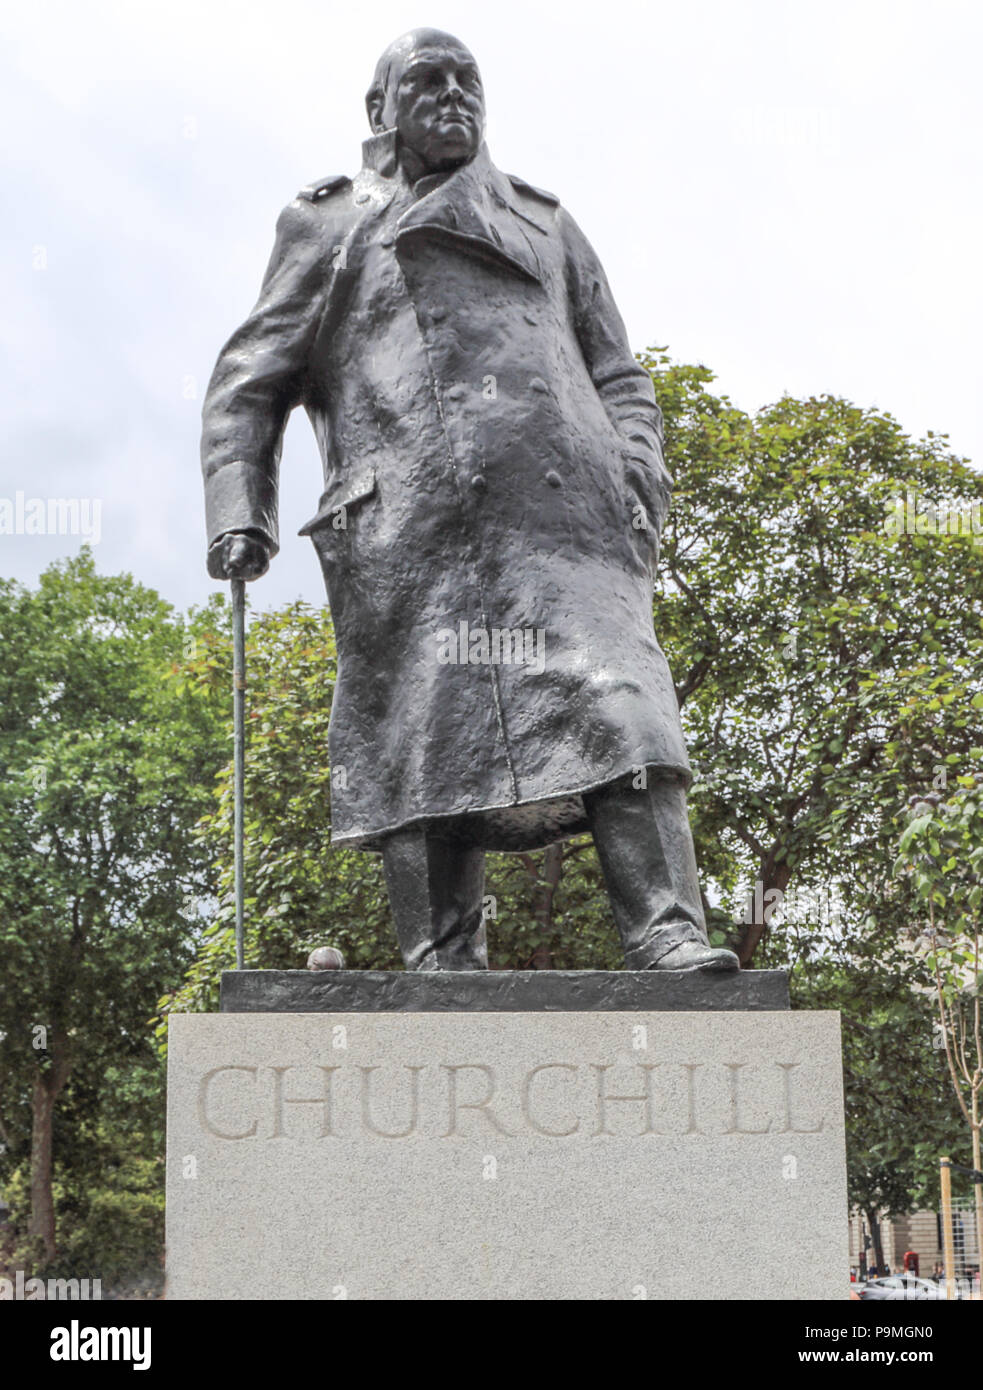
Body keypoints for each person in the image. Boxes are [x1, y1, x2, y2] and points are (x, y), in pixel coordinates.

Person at [201, 28, 740, 975]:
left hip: (568, 527)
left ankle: (665, 930)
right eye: (426, 81)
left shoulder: (545, 222)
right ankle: (441, 958)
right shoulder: (328, 227)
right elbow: (251, 381)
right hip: (408, 527)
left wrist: (637, 470)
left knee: (623, 702)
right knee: (424, 734)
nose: (453, 96)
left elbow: (619, 370)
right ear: (380, 111)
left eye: (467, 80)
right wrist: (240, 508)